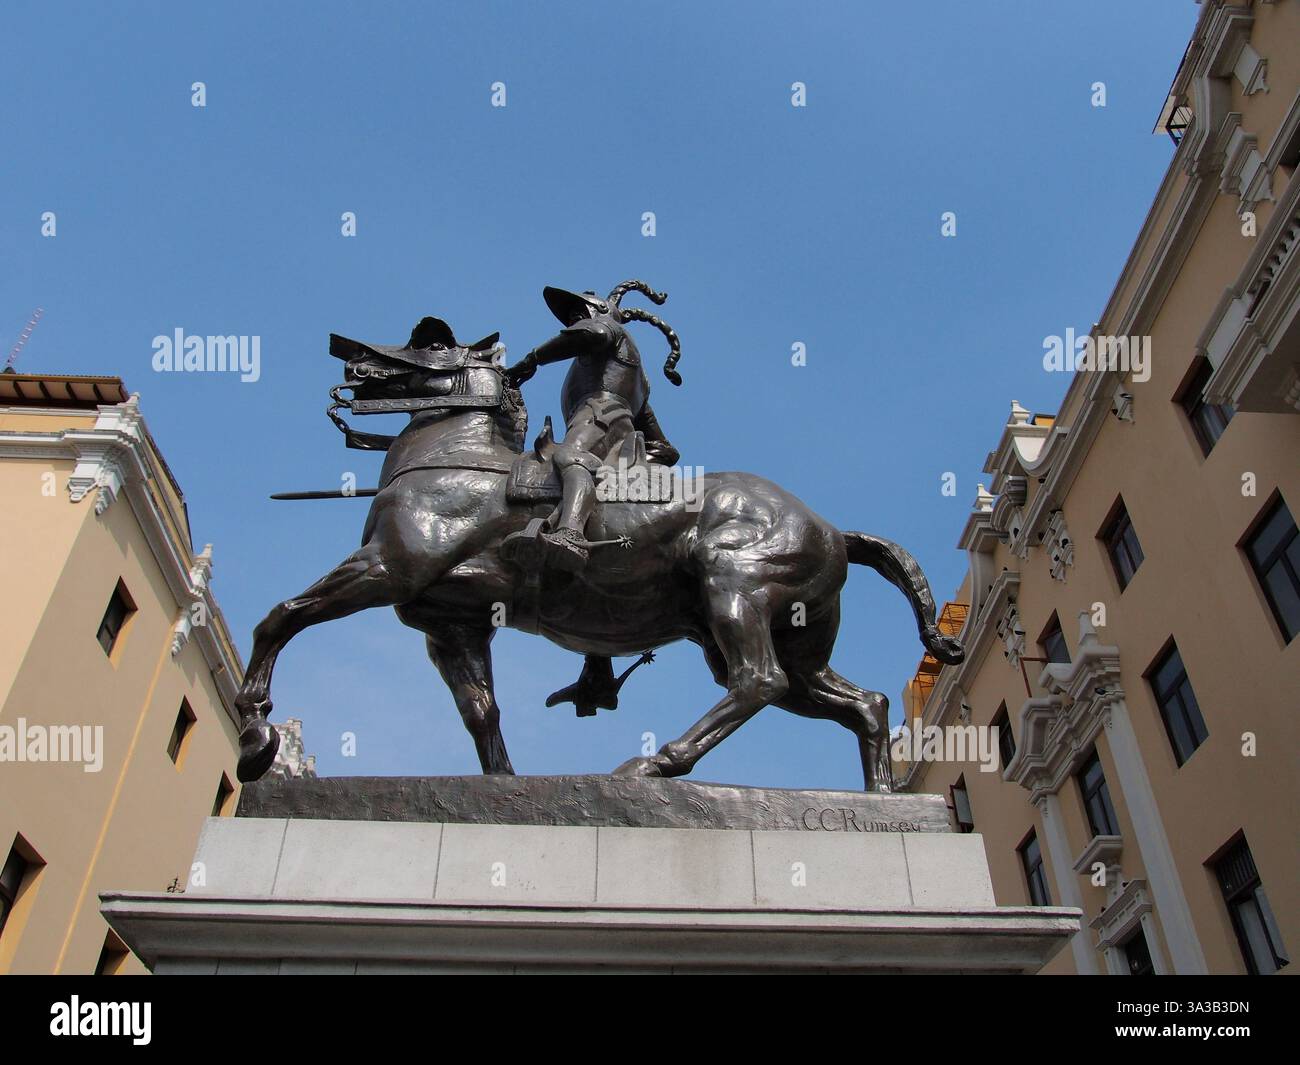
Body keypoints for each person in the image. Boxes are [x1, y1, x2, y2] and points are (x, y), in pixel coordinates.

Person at [504, 280, 682, 572]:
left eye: (578, 314)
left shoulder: (607, 330)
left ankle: (570, 534)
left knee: (567, 456)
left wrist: (530, 361)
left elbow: (594, 331)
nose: (573, 322)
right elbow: (659, 440)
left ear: (599, 311)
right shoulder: (636, 377)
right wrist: (653, 455)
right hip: (607, 420)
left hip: (600, 413)